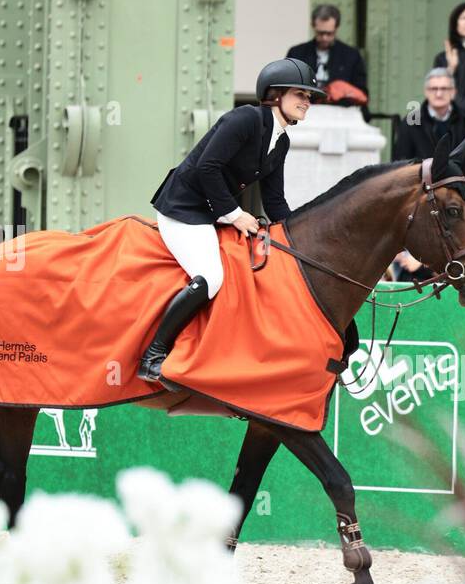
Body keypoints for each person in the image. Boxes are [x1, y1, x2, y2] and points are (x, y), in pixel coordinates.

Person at [138, 57, 326, 384]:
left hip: (212, 214)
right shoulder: (244, 120)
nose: (307, 102)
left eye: (309, 97)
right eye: (301, 94)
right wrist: (236, 215)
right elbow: (206, 168)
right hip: (183, 208)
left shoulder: (281, 141)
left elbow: (274, 200)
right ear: (276, 94)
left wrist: (302, 239)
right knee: (210, 277)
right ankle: (153, 355)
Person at [392, 69, 465, 160]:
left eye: (444, 89)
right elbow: (401, 160)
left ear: (453, 92)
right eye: (434, 89)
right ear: (426, 92)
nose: (439, 94)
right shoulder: (411, 122)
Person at [287, 3, 368, 97]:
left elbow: (361, 92)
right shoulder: (296, 53)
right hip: (305, 107)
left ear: (336, 28)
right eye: (320, 33)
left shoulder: (352, 56)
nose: (324, 38)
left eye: (329, 33)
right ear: (313, 26)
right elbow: (287, 87)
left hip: (340, 108)